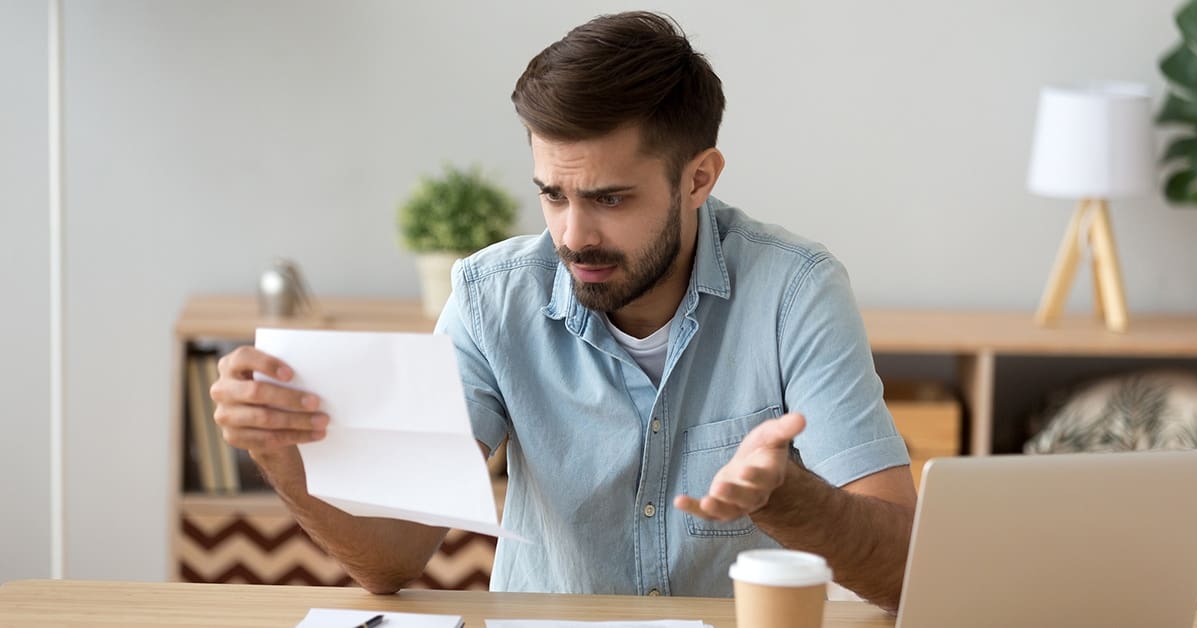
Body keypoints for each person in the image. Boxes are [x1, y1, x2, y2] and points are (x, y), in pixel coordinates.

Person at [210, 10, 916, 611]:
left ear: (698, 178)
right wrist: (279, 456)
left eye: (609, 198)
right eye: (552, 194)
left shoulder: (796, 293)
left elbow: (902, 571)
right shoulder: (490, 299)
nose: (573, 236)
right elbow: (393, 560)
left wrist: (791, 500)